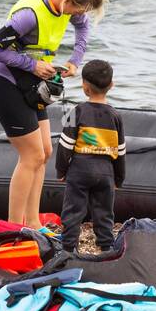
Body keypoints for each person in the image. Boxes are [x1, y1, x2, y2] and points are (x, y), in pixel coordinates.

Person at [0, 0, 107, 228]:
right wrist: (33, 65)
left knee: (45, 151)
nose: (77, 15)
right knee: (32, 156)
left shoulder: (66, 5)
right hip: (4, 83)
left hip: (31, 84)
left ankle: (34, 224)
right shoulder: (29, 14)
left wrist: (75, 59)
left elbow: (83, 27)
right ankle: (14, 229)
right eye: (77, 8)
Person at [55, 60, 125, 254]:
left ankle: (68, 248)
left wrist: (61, 170)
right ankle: (106, 246)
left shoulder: (76, 111)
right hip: (105, 171)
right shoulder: (115, 116)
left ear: (84, 87)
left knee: (73, 210)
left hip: (80, 169)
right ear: (111, 85)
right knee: (104, 211)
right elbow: (120, 150)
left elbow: (65, 145)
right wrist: (119, 177)